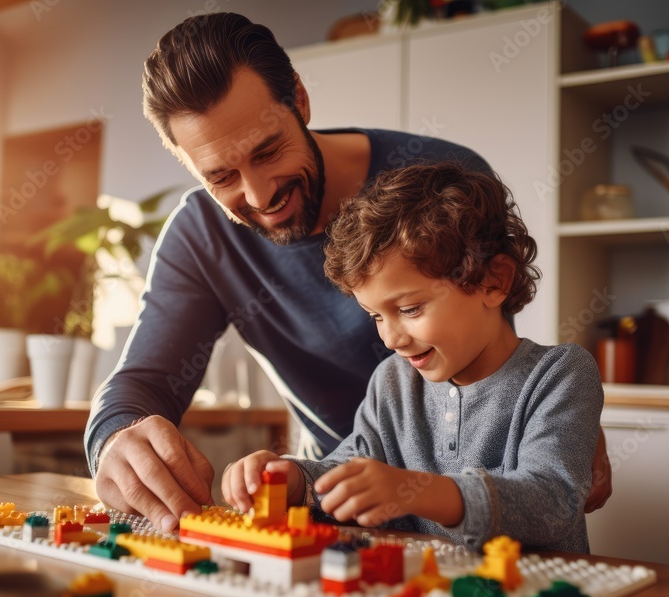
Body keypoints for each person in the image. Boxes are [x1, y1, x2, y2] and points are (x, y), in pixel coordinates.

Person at [86, 12, 611, 534]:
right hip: (346, 519)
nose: (260, 196)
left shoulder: (440, 178)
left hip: (483, 530)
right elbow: (146, 380)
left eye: (268, 150)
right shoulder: (202, 235)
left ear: (299, 99)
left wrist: (563, 426)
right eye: (221, 176)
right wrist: (115, 440)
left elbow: (491, 370)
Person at [221, 162, 603, 553]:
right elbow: (353, 470)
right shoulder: (394, 380)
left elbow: (551, 502)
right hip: (420, 588)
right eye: (375, 316)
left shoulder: (559, 373)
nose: (390, 338)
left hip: (535, 589)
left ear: (493, 281)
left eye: (410, 309)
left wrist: (413, 490)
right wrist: (295, 480)